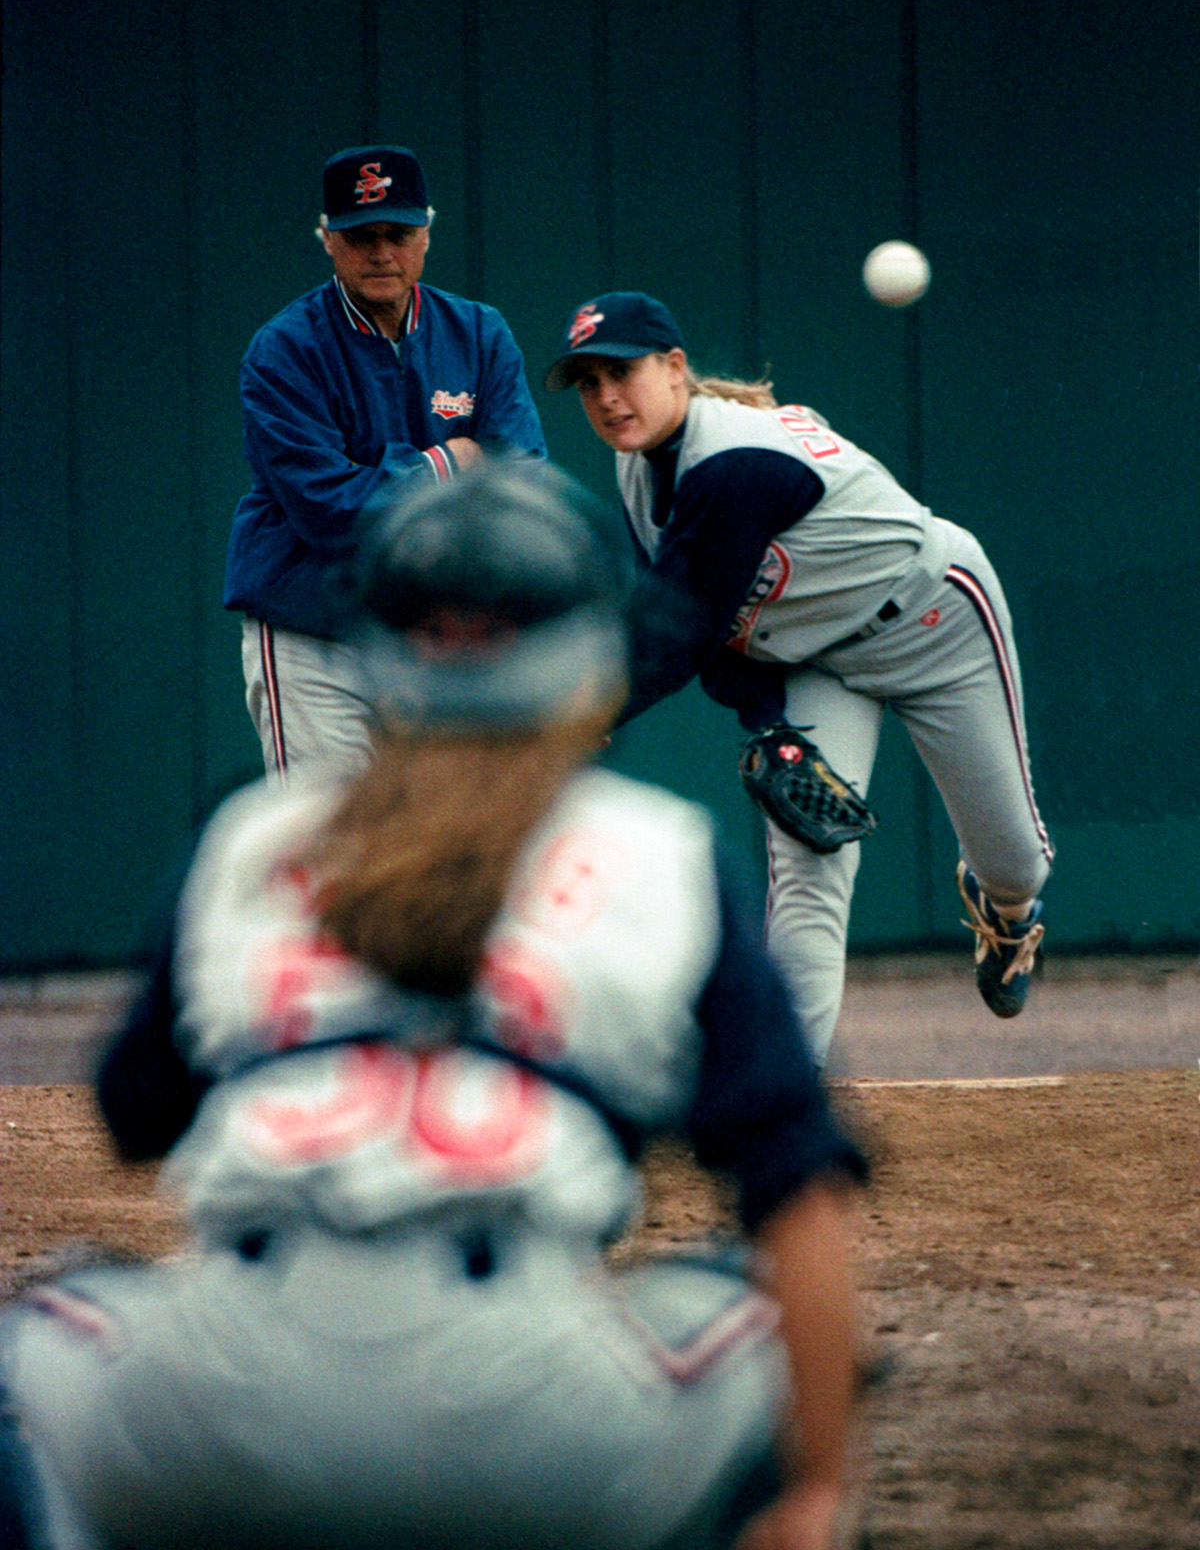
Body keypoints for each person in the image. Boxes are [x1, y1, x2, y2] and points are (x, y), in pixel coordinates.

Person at [0, 458, 869, 1550]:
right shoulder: (658, 849)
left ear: (373, 650)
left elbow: (137, 1113)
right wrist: (819, 1492)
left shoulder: (254, 835)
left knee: (39, 1349)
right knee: (749, 1315)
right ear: (592, 656)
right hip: (537, 1424)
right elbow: (800, 1195)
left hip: (221, 1393)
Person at [545, 291, 1054, 1068]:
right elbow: (702, 622)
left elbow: (680, 632)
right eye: (588, 383)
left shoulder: (731, 467)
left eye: (622, 371)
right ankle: (789, 1079)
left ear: (675, 367)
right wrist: (770, 723)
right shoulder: (638, 466)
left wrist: (582, 711)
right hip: (815, 657)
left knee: (1016, 860)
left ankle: (1008, 912)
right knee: (807, 869)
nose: (607, 397)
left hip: (933, 619)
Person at [224, 144, 546, 778]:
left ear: (426, 234)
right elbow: (330, 512)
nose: (380, 252)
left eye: (397, 234)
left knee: (451, 829)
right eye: (359, 236)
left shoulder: (479, 333)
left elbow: (519, 483)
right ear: (327, 240)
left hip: (436, 641)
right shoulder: (284, 349)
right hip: (313, 631)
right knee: (331, 829)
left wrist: (390, 481)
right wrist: (447, 465)